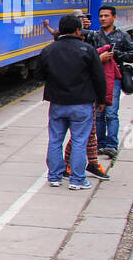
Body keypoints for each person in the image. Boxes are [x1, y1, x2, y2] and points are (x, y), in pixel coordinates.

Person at [36, 15, 106, 190]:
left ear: (60, 30)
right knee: (79, 141)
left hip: (57, 103)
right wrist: (102, 99)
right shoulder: (87, 50)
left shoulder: (48, 50)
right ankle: (77, 180)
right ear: (78, 30)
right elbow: (99, 78)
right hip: (82, 104)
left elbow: (38, 76)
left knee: (55, 140)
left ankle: (54, 177)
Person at [94, 4, 133, 158]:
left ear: (114, 17)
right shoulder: (94, 35)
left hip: (114, 78)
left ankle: (111, 145)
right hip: (98, 78)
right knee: (98, 113)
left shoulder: (122, 35)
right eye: (101, 16)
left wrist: (117, 54)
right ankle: (99, 144)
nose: (103, 19)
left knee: (111, 112)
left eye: (106, 16)